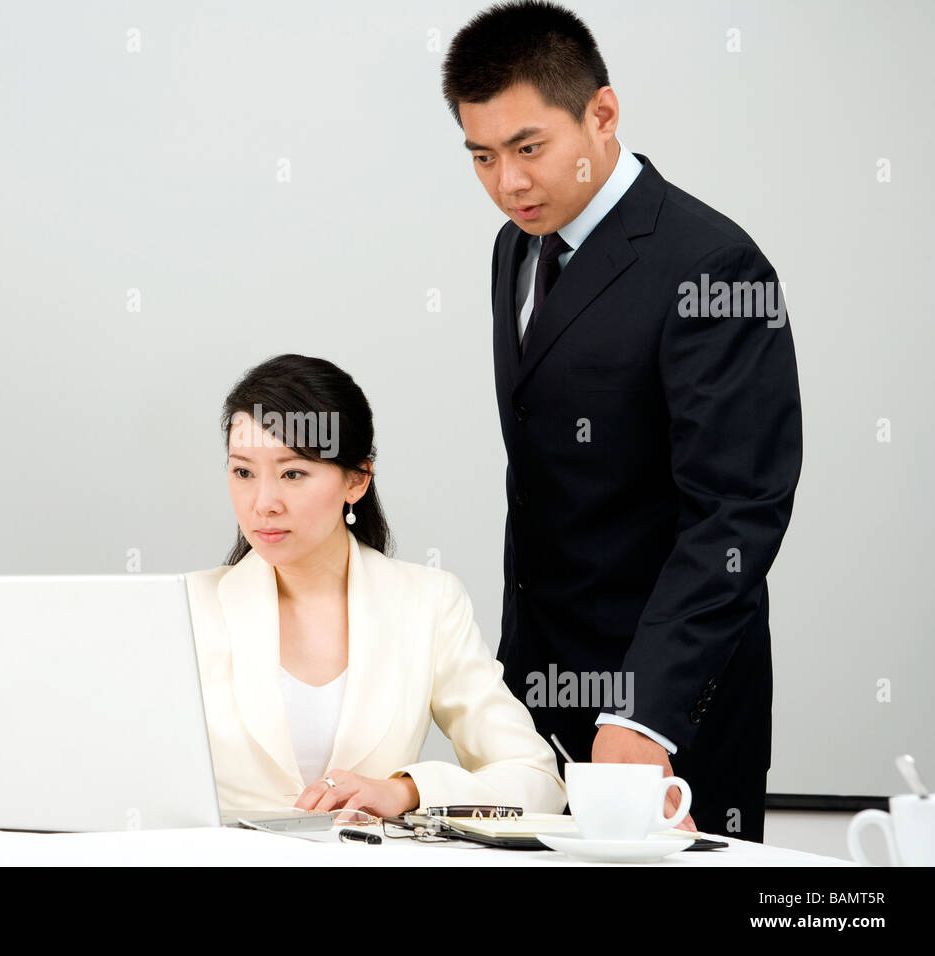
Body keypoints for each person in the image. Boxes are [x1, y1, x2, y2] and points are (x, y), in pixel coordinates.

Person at [441, 1, 803, 841]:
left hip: (671, 702)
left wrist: (646, 712)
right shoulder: (518, 244)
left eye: (529, 148)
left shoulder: (713, 264)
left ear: (602, 113)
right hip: (535, 688)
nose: (509, 184)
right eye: (482, 157)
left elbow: (736, 512)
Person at [184, 353, 567, 817]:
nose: (263, 503)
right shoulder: (186, 608)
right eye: (243, 471)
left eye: (293, 473)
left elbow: (536, 778)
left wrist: (407, 791)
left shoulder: (427, 603)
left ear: (357, 480)